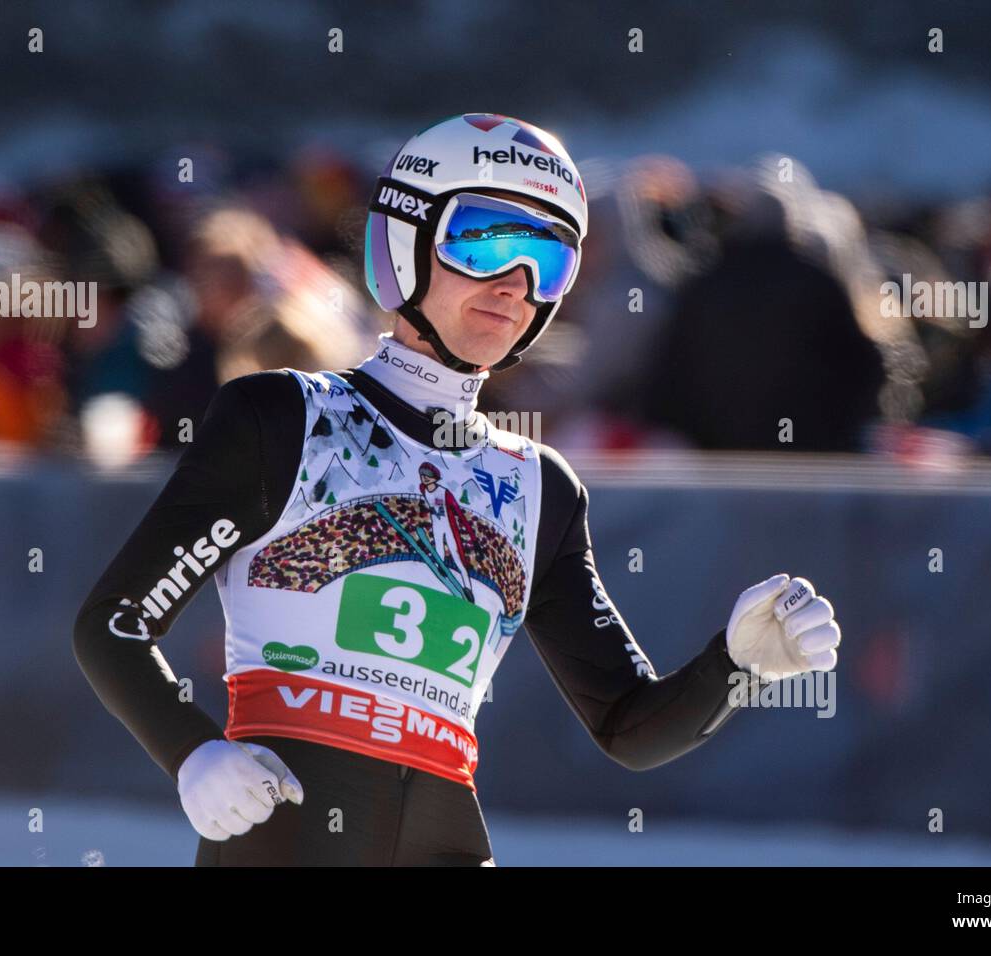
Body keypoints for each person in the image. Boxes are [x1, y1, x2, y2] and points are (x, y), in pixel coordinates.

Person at [72, 113, 843, 866]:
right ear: (405, 242)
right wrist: (193, 752)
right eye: (484, 240)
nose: (514, 284)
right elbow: (113, 623)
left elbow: (628, 726)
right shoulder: (282, 417)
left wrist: (735, 669)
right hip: (286, 830)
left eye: (548, 259)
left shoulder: (541, 487)